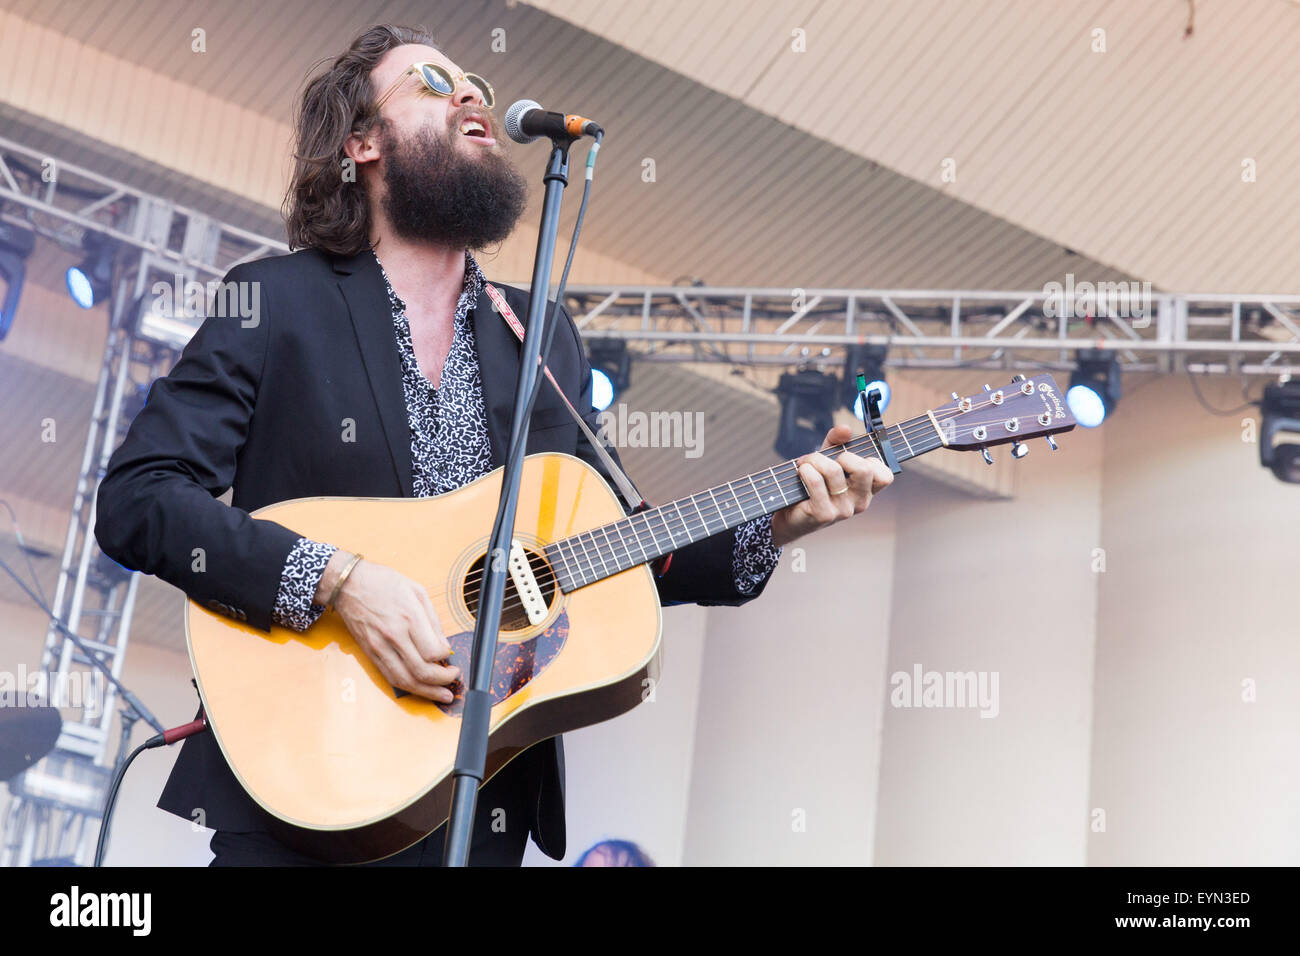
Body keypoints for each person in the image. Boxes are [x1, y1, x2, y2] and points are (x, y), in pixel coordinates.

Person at [93, 23, 894, 867]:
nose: (471, 93)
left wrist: (781, 520)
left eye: (472, 80)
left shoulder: (540, 334)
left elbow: (622, 548)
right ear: (362, 143)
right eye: (434, 85)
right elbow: (139, 498)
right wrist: (341, 581)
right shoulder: (274, 303)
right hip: (306, 788)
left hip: (479, 810)